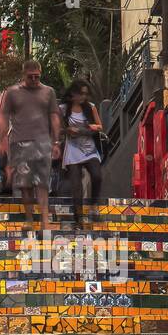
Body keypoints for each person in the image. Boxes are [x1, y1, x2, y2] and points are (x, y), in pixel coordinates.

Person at [0, 60, 62, 231]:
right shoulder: (12, 93)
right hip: (20, 143)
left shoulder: (49, 92)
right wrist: (1, 139)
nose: (34, 79)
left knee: (42, 184)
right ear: (23, 75)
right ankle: (29, 219)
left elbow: (54, 116)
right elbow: (3, 115)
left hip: (43, 143)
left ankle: (45, 220)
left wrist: (56, 142)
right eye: (30, 77)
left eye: (37, 76)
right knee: (26, 185)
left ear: (40, 73)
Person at [57, 80, 104, 230]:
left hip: (89, 149)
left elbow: (100, 126)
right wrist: (67, 131)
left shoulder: (90, 108)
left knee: (97, 175)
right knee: (76, 186)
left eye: (85, 93)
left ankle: (93, 204)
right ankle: (79, 220)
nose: (83, 96)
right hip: (73, 150)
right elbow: (56, 129)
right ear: (73, 94)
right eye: (81, 93)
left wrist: (84, 128)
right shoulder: (63, 109)